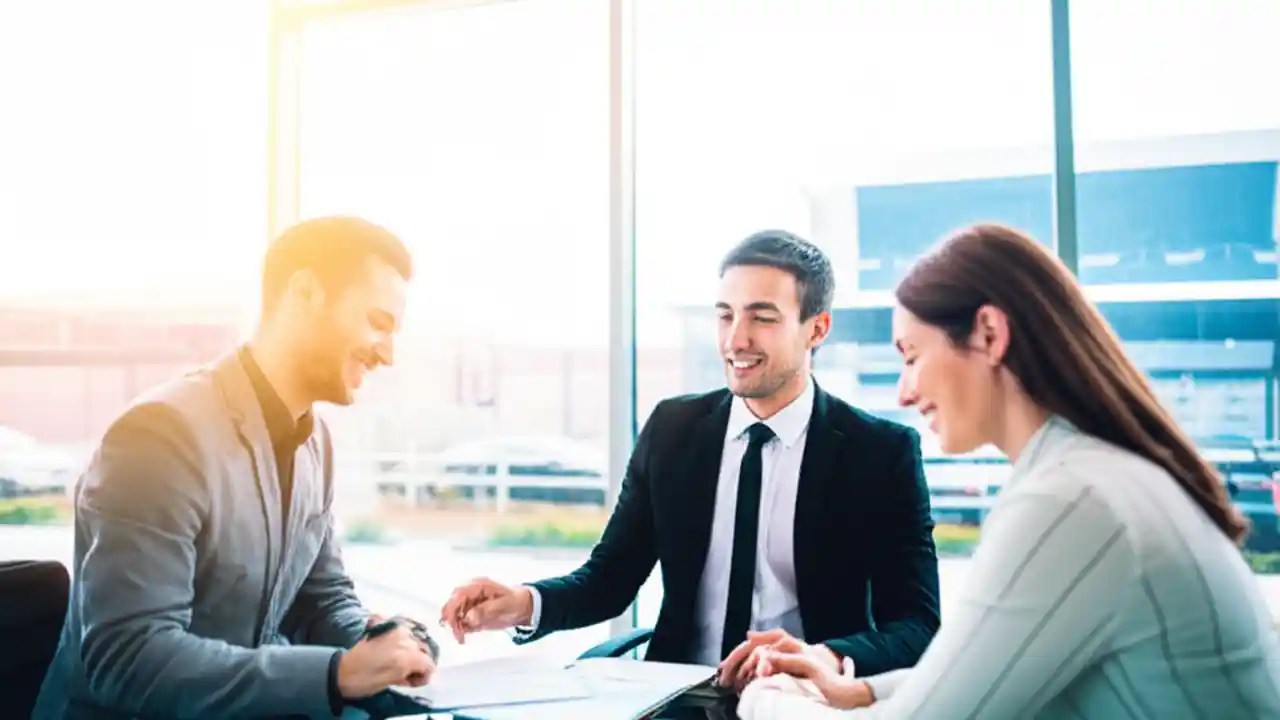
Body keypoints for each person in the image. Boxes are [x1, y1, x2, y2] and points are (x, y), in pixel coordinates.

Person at [739, 224, 1280, 719]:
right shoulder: (1097, 473)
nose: (904, 393)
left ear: (989, 334)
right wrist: (857, 690)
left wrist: (765, 700)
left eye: (911, 356)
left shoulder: (1072, 502)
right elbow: (983, 662)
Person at [442, 230, 940, 687]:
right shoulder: (673, 430)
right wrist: (522, 604)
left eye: (762, 318)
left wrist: (824, 657)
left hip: (806, 700)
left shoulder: (878, 452)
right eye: (725, 315)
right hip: (680, 696)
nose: (735, 339)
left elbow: (916, 625)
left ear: (817, 329)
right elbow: (611, 577)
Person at [34, 217, 437, 719]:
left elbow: (322, 597)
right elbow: (128, 657)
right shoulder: (161, 436)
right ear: (305, 294)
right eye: (378, 322)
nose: (388, 354)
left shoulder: (316, 443)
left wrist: (380, 642)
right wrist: (338, 674)